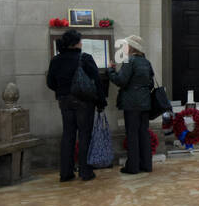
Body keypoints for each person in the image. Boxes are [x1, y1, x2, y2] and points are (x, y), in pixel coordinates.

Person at [46, 29, 106, 183]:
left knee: (68, 135)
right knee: (85, 135)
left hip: (64, 101)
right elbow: (97, 82)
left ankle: (66, 173)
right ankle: (85, 172)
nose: (82, 43)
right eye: (80, 40)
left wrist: (63, 92)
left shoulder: (56, 60)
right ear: (75, 43)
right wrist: (100, 101)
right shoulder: (85, 58)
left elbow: (50, 83)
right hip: (84, 102)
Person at [109, 34, 154, 176]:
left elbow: (121, 80)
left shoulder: (130, 61)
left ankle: (133, 167)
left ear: (131, 48)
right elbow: (151, 83)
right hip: (145, 103)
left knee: (132, 134)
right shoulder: (146, 62)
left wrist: (111, 70)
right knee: (144, 134)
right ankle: (146, 165)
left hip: (131, 104)